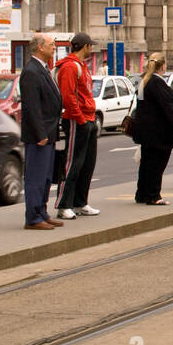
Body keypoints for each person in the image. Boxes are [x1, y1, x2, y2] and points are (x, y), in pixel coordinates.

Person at [18, 32, 65, 231]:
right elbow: (31, 107)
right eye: (51, 44)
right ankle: (33, 217)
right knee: (36, 177)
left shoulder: (43, 69)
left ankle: (42, 212)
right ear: (40, 47)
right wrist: (40, 134)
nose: (54, 47)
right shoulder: (31, 71)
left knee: (46, 176)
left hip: (50, 131)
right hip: (40, 135)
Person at [55, 32, 100, 219]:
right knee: (72, 163)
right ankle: (63, 204)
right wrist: (80, 118)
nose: (92, 49)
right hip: (76, 120)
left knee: (87, 164)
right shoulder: (70, 67)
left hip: (88, 118)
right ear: (85, 47)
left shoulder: (82, 66)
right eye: (91, 46)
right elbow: (68, 97)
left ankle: (80, 202)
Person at [134, 53, 173, 205]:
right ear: (163, 66)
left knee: (146, 163)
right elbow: (166, 106)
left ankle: (142, 193)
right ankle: (153, 195)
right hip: (159, 132)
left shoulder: (144, 81)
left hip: (147, 130)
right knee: (157, 164)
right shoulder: (157, 83)